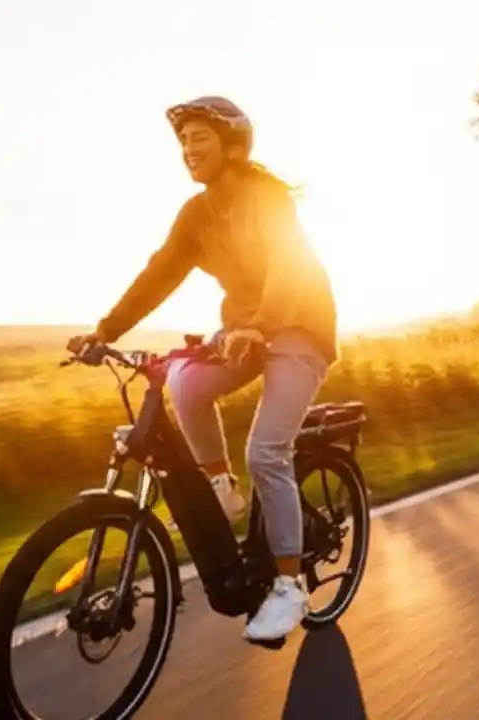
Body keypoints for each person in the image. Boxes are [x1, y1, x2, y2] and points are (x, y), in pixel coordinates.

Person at [67, 96, 338, 642]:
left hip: (298, 325)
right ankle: (221, 487)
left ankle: (288, 586)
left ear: (234, 145)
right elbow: (160, 272)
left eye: (200, 139)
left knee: (266, 450)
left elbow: (287, 265)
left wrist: (261, 324)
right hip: (244, 329)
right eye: (184, 141)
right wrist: (106, 330)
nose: (189, 150)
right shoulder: (197, 213)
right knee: (185, 382)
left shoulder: (268, 197)